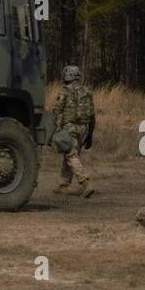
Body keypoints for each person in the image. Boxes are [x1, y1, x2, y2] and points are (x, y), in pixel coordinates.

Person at [52, 64, 96, 197]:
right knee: (71, 155)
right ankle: (64, 185)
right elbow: (92, 115)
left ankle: (86, 183)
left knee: (71, 156)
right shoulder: (87, 92)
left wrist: (56, 129)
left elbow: (57, 112)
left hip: (69, 128)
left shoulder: (64, 92)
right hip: (83, 128)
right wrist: (90, 135)